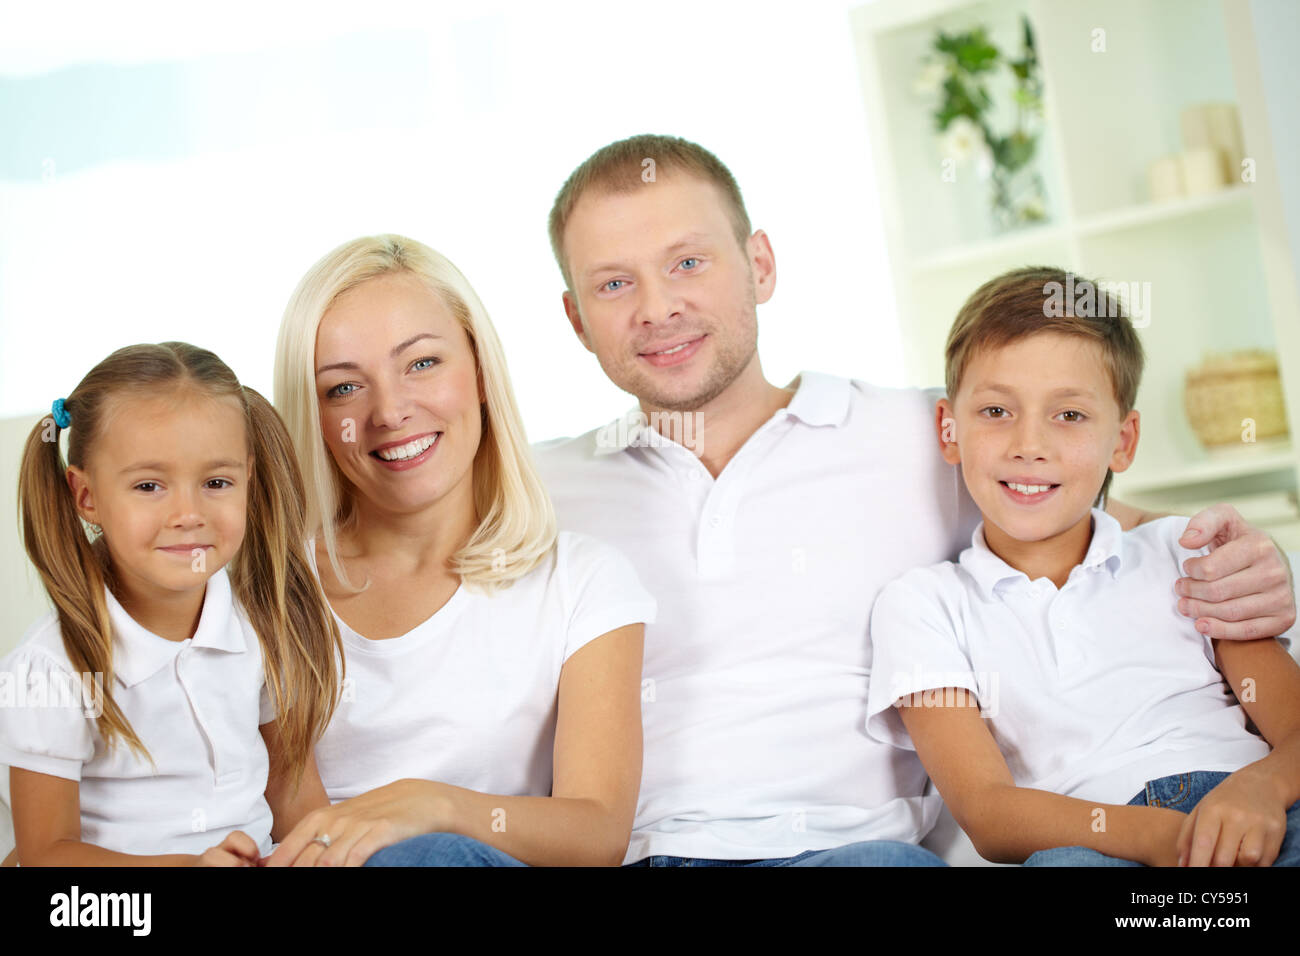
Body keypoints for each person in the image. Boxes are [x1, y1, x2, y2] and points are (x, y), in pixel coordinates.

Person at [532, 133, 1298, 866]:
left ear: (759, 264)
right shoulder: (532, 489)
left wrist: (1244, 555)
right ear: (574, 319)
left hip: (856, 853)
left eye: (689, 262)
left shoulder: (926, 431)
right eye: (613, 283)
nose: (657, 307)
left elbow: (1085, 505)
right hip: (637, 854)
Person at [866, 266, 1300, 866]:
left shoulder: (1184, 552)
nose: (1029, 444)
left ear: (1123, 441)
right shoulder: (924, 605)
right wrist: (1177, 841)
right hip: (1095, 845)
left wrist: (1261, 790)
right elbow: (990, 813)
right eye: (996, 411)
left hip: (1255, 810)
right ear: (949, 429)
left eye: (1069, 415)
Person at [265, 235, 656, 867]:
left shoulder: (582, 581)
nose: (389, 412)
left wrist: (433, 806)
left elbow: (597, 835)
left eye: (421, 363)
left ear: (479, 370)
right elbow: (306, 836)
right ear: (312, 415)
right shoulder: (273, 593)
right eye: (343, 388)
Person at [0, 342, 341, 865]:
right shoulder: (52, 667)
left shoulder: (263, 626)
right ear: (86, 495)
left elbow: (292, 790)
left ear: (248, 479)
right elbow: (46, 855)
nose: (188, 513)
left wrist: (323, 852)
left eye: (216, 482)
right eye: (149, 485)